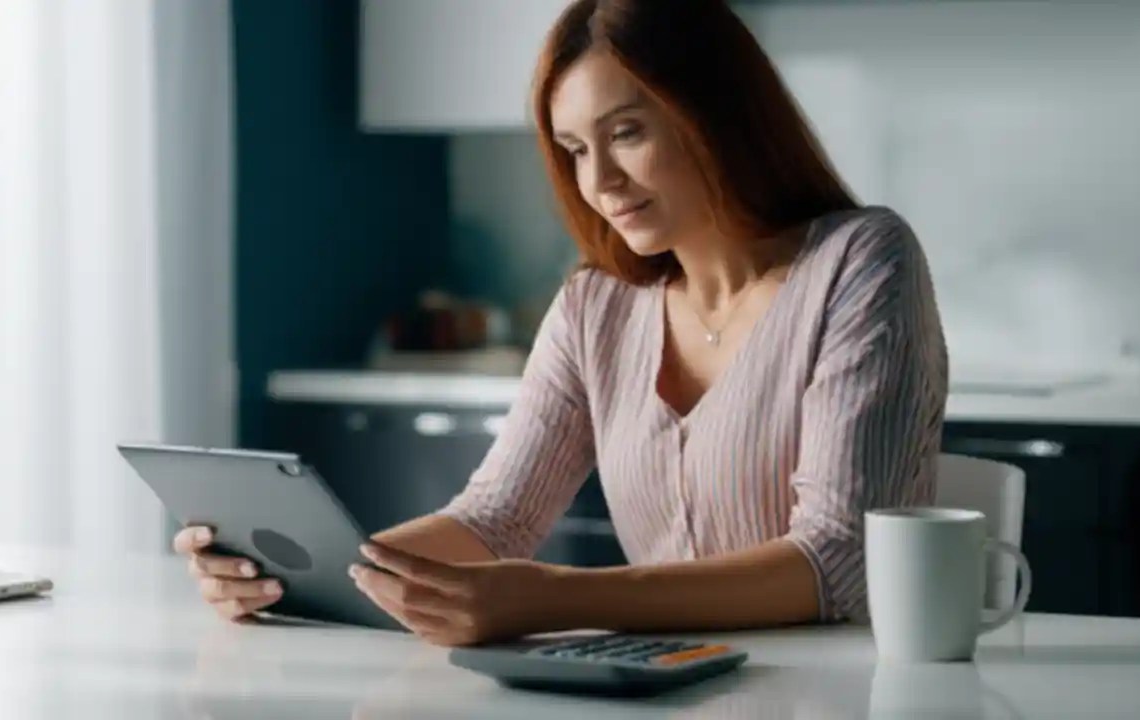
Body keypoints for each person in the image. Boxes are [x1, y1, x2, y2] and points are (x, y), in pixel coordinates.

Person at [174, 0, 947, 647]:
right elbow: (495, 520)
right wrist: (297, 578)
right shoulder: (596, 304)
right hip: (662, 688)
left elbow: (836, 560)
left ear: (716, 114)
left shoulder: (860, 260)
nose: (600, 181)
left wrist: (553, 598)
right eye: (576, 149)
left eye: (627, 133)